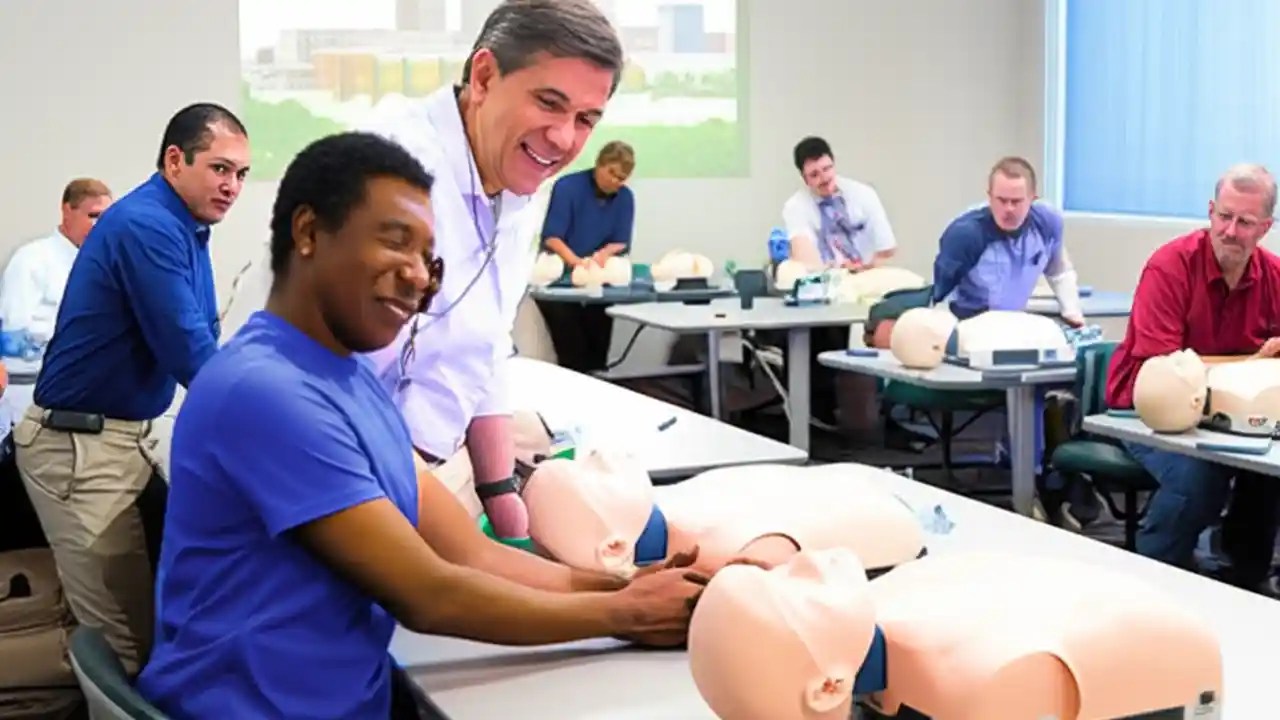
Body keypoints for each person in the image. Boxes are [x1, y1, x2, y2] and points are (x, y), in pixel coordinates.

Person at [135, 131, 708, 719]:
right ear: (307, 232)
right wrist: (626, 614)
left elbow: (472, 556)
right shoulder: (263, 390)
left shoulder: (349, 380)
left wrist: (625, 586)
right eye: (395, 243)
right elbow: (428, 594)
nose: (417, 277)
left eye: (429, 259)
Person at [361, 0, 625, 539]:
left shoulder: (513, 178)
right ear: (483, 76)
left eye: (585, 120)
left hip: (409, 466)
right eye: (548, 103)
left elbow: (484, 342)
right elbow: (335, 396)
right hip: (335, 472)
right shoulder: (389, 174)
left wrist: (498, 489)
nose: (564, 139)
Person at [13, 102, 250, 676]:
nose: (233, 186)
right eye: (220, 169)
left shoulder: (188, 227)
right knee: (125, 654)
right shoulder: (148, 225)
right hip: (81, 450)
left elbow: (204, 336)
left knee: (152, 630)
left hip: (125, 439)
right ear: (175, 160)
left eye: (241, 174)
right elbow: (191, 352)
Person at [1106, 163, 1280, 594]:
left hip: (1227, 412)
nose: (1230, 230)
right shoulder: (1169, 267)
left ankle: (1243, 582)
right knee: (1201, 476)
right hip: (1144, 408)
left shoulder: (1274, 277)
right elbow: (1165, 373)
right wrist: (1250, 363)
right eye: (1224, 216)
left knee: (1268, 470)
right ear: (1209, 211)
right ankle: (1150, 586)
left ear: (1266, 227)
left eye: (1245, 222)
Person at [780, 136, 898, 427]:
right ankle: (824, 411)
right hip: (830, 285)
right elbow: (805, 259)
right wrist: (835, 268)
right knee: (821, 320)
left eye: (826, 169)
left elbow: (886, 250)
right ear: (804, 178)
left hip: (867, 278)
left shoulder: (863, 195)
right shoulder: (796, 207)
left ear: (834, 164)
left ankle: (886, 411)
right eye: (814, 175)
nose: (823, 179)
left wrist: (864, 266)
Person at [930, 156, 1083, 326]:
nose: (1008, 209)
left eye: (1016, 201)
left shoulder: (1047, 222)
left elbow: (1059, 272)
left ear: (1032, 198)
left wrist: (1072, 312)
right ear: (989, 197)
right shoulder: (965, 234)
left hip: (1013, 323)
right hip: (969, 324)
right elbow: (939, 297)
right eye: (1001, 200)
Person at [536, 140, 636, 372]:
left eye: (621, 178)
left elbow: (620, 242)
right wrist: (577, 263)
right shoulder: (568, 187)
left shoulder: (625, 198)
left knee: (597, 345)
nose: (615, 182)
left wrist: (602, 256)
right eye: (611, 173)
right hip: (559, 277)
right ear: (599, 164)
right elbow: (552, 237)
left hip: (597, 277)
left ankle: (597, 380)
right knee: (571, 350)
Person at [0, 178, 112, 355]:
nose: (99, 226)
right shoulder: (31, 259)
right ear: (67, 211)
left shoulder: (105, 265)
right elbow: (13, 330)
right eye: (93, 216)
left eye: (105, 218)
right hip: (36, 375)